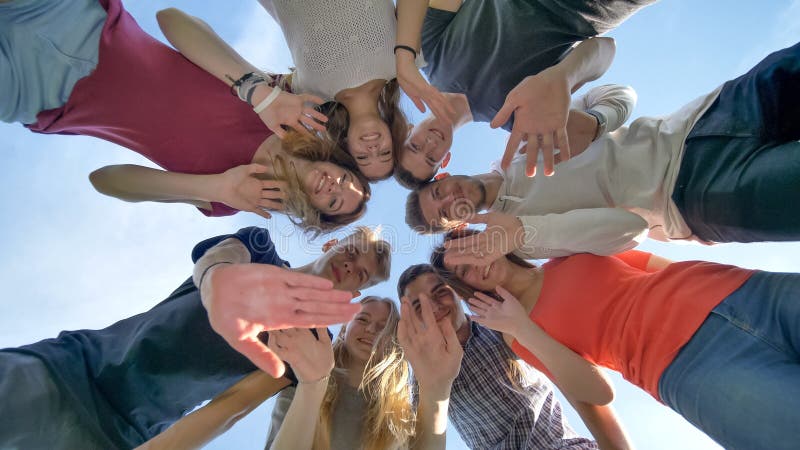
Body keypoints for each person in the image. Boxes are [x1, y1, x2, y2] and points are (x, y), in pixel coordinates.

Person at [0, 226, 391, 450]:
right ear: (331, 243)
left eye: (362, 275)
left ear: (354, 294)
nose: (351, 266)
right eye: (353, 251)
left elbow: (231, 408)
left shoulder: (305, 345)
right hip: (65, 368)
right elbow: (217, 260)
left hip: (118, 435)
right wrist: (216, 281)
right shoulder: (260, 249)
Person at [407, 42, 800, 261]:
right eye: (444, 215)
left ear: (444, 176)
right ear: (457, 227)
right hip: (695, 198)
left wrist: (595, 121)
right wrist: (524, 230)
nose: (451, 200)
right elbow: (631, 230)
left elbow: (620, 94)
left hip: (706, 116)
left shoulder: (527, 139)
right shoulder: (520, 239)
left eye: (439, 193)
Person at [1, 0, 370, 232]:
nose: (336, 187)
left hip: (39, 94)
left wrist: (217, 187)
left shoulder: (232, 199)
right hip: (80, 18)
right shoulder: (286, 104)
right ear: (337, 162)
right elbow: (171, 19)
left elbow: (106, 180)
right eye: (346, 180)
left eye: (335, 202)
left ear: (316, 214)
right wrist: (260, 93)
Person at [432, 230, 800, 450]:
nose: (474, 263)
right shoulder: (518, 336)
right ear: (469, 287)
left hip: (738, 293)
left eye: (470, 248)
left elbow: (653, 261)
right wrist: (523, 328)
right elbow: (595, 395)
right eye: (463, 270)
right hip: (688, 368)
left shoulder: (566, 251)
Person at [137, 295, 461, 450]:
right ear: (345, 327)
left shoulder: (402, 407)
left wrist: (439, 391)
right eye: (363, 320)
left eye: (383, 327)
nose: (371, 331)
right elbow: (229, 408)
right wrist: (313, 384)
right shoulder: (301, 371)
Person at [394, 0, 656, 179]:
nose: (429, 144)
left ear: (407, 130)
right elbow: (606, 49)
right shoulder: (519, 119)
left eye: (415, 146)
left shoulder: (427, 53)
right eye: (431, 159)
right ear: (446, 160)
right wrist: (564, 76)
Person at [159, 1, 414, 181]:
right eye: (385, 152)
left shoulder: (303, 95)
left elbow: (171, 20)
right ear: (393, 136)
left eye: (363, 157)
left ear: (346, 147)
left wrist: (258, 94)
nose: (373, 148)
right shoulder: (407, 61)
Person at [397, 264, 633, 449]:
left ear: (457, 292)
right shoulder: (423, 373)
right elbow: (419, 436)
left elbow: (571, 380)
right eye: (419, 307)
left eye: (439, 292)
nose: (433, 307)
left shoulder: (501, 326)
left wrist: (615, 445)